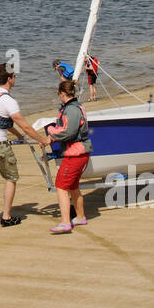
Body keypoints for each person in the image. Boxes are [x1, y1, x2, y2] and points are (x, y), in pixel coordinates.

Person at [0, 63, 50, 231]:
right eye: (14, 76)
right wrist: (42, 140)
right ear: (9, 79)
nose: (16, 78)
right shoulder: (9, 102)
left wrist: (17, 135)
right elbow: (25, 126)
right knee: (11, 178)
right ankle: (6, 217)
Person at [43, 79, 91, 233]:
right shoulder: (74, 107)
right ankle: (80, 217)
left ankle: (65, 222)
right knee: (73, 186)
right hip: (79, 152)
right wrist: (54, 136)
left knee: (61, 186)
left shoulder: (72, 110)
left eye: (59, 95)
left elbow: (69, 132)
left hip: (75, 154)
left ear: (63, 94)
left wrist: (51, 132)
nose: (59, 98)